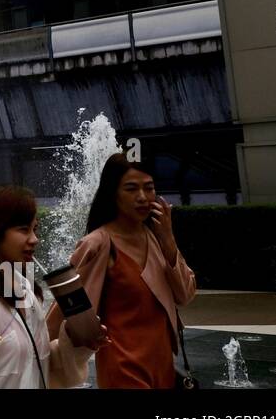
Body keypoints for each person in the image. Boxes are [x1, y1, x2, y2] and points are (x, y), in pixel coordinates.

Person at [46, 153, 197, 389]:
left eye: (149, 188)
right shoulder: (97, 244)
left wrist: (168, 241)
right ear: (112, 194)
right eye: (131, 189)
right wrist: (38, 354)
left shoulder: (157, 238)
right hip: (123, 366)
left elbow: (185, 295)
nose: (142, 197)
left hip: (164, 363)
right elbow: (66, 304)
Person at [0, 187, 103, 388]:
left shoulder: (26, 289)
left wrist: (77, 340)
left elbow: (40, 366)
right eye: (23, 229)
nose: (34, 239)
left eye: (35, 229)